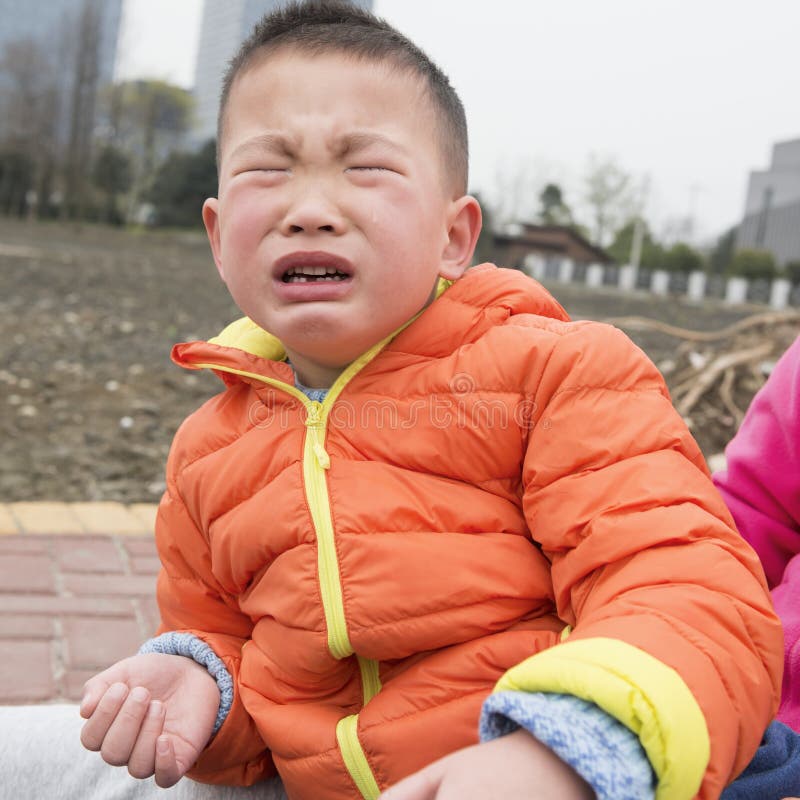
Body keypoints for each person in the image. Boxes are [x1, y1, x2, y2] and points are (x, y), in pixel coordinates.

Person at [76, 3, 784, 799]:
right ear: (215, 234)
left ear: (456, 236)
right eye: (266, 169)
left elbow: (685, 585)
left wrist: (569, 751)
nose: (309, 206)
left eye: (365, 167)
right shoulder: (207, 452)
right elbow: (244, 664)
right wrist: (205, 689)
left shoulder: (556, 376)